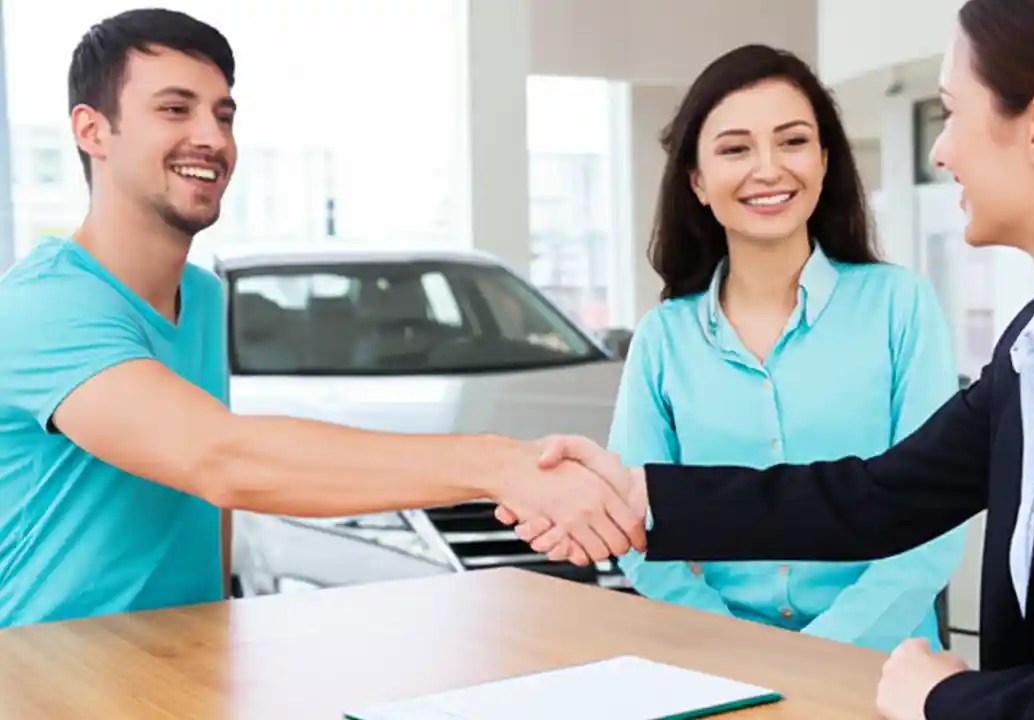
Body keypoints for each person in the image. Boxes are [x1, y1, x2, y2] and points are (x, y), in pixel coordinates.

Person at [504, 0, 1034, 717]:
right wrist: (638, 495)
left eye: (949, 112)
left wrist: (952, 700)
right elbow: (875, 498)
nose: (939, 152)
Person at [0, 8, 642, 629]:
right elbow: (219, 458)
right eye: (175, 109)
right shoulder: (47, 305)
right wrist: (500, 464)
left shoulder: (201, 298)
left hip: (173, 667)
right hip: (48, 675)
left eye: (224, 115)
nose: (212, 137)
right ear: (91, 131)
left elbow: (210, 507)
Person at [607, 44, 967, 652]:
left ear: (824, 162)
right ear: (697, 180)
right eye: (735, 148)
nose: (768, 169)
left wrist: (819, 653)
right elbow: (633, 525)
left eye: (793, 141)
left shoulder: (899, 306)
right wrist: (743, 648)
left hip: (880, 665)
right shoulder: (663, 338)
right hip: (719, 660)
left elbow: (933, 518)